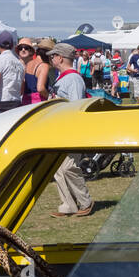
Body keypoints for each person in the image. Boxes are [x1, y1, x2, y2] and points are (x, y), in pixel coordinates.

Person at [45, 42, 93, 219]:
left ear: (60, 57)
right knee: (59, 168)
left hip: (71, 130)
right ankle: (68, 205)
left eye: (53, 56)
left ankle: (85, 201)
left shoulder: (72, 79)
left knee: (69, 167)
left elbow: (76, 106)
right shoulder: (64, 77)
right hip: (61, 129)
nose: (51, 59)